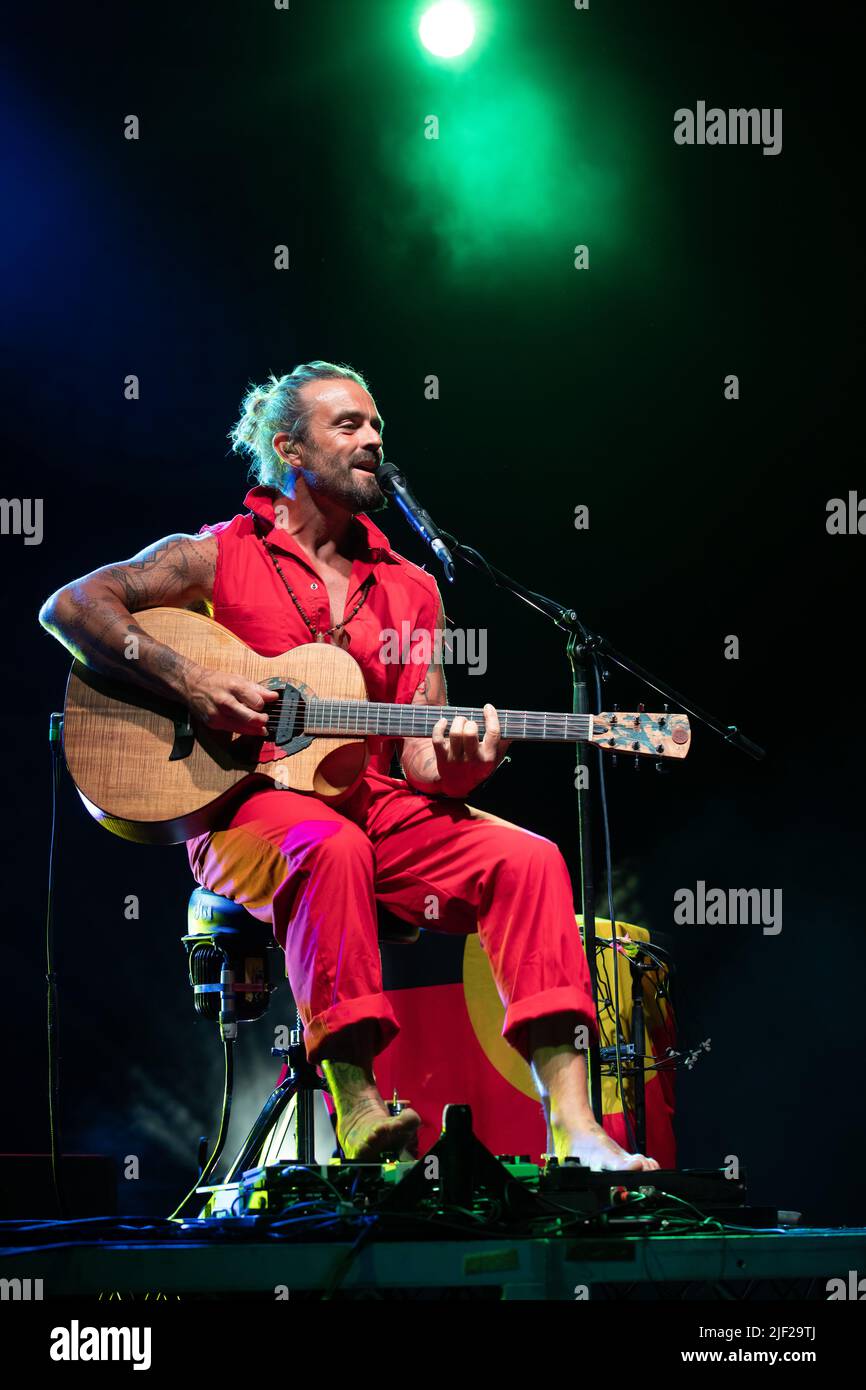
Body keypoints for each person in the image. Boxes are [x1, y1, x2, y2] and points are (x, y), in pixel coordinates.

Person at [39, 360, 659, 1172]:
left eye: (378, 429)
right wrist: (190, 678)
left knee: (528, 859)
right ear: (287, 447)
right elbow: (72, 607)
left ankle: (576, 1129)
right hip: (241, 808)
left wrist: (460, 766)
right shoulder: (217, 556)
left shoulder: (410, 588)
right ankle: (357, 1101)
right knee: (327, 846)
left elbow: (420, 751)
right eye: (350, 425)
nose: (374, 441)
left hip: (370, 802)